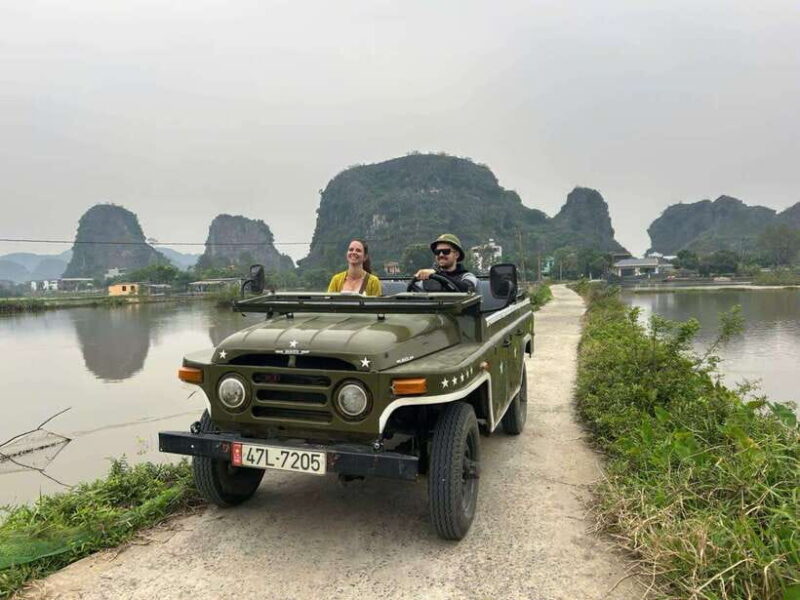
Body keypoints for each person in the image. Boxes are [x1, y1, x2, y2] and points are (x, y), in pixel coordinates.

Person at [414, 233, 478, 293]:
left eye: (446, 251)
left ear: (456, 255)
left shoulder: (468, 277)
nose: (441, 255)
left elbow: (466, 289)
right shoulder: (426, 279)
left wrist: (437, 274)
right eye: (437, 252)